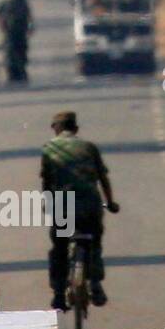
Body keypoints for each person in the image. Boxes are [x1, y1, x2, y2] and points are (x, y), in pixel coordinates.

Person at [41, 111, 118, 311]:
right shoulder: (89, 147)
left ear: (56, 129)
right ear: (75, 129)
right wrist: (110, 202)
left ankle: (58, 294)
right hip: (90, 206)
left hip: (63, 207)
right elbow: (103, 178)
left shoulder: (49, 149)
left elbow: (48, 183)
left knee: (59, 247)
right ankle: (95, 284)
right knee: (95, 241)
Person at [0, 0, 33, 81]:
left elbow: (29, 16)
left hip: (21, 32)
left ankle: (21, 71)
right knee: (10, 52)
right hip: (9, 33)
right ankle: (11, 72)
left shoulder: (22, 2)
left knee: (21, 51)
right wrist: (2, 24)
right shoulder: (5, 3)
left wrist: (30, 28)